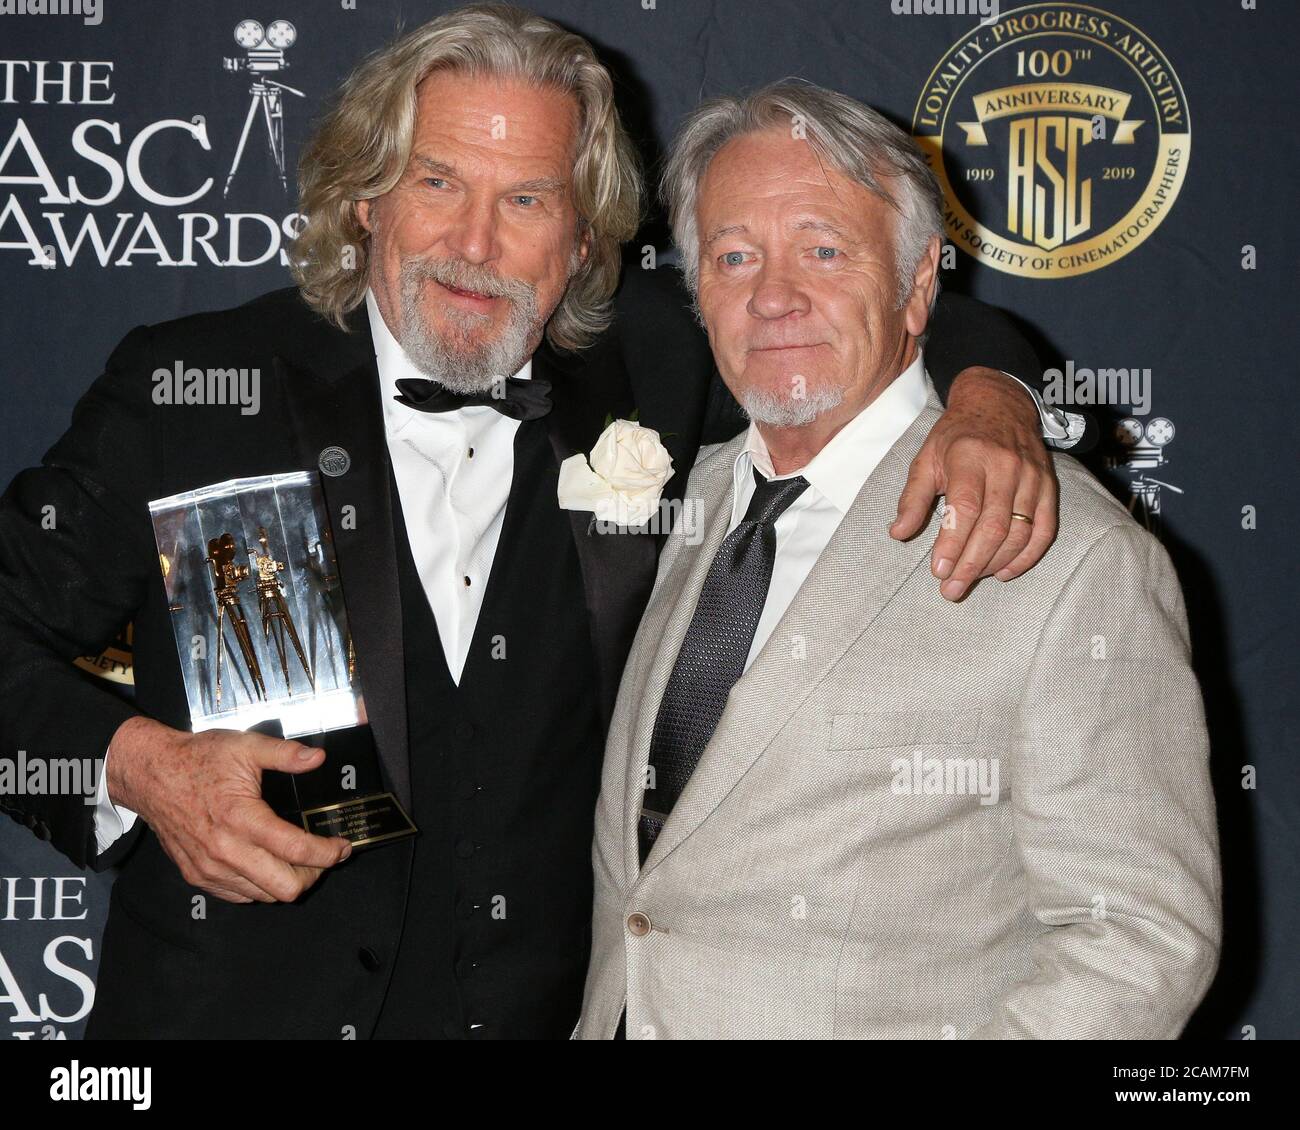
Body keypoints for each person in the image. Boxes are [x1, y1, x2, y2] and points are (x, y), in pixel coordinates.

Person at [1, 6, 1070, 1039]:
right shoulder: (197, 389)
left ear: (583, 233)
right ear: (365, 196)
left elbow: (903, 307)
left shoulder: (648, 357)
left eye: (526, 200)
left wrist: (991, 403)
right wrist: (136, 763)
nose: (474, 242)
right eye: (437, 182)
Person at [577, 80, 1220, 1040]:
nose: (775, 295)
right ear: (697, 289)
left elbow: (1137, 938)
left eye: (824, 251)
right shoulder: (688, 492)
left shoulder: (1069, 558)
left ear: (921, 284)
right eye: (735, 255)